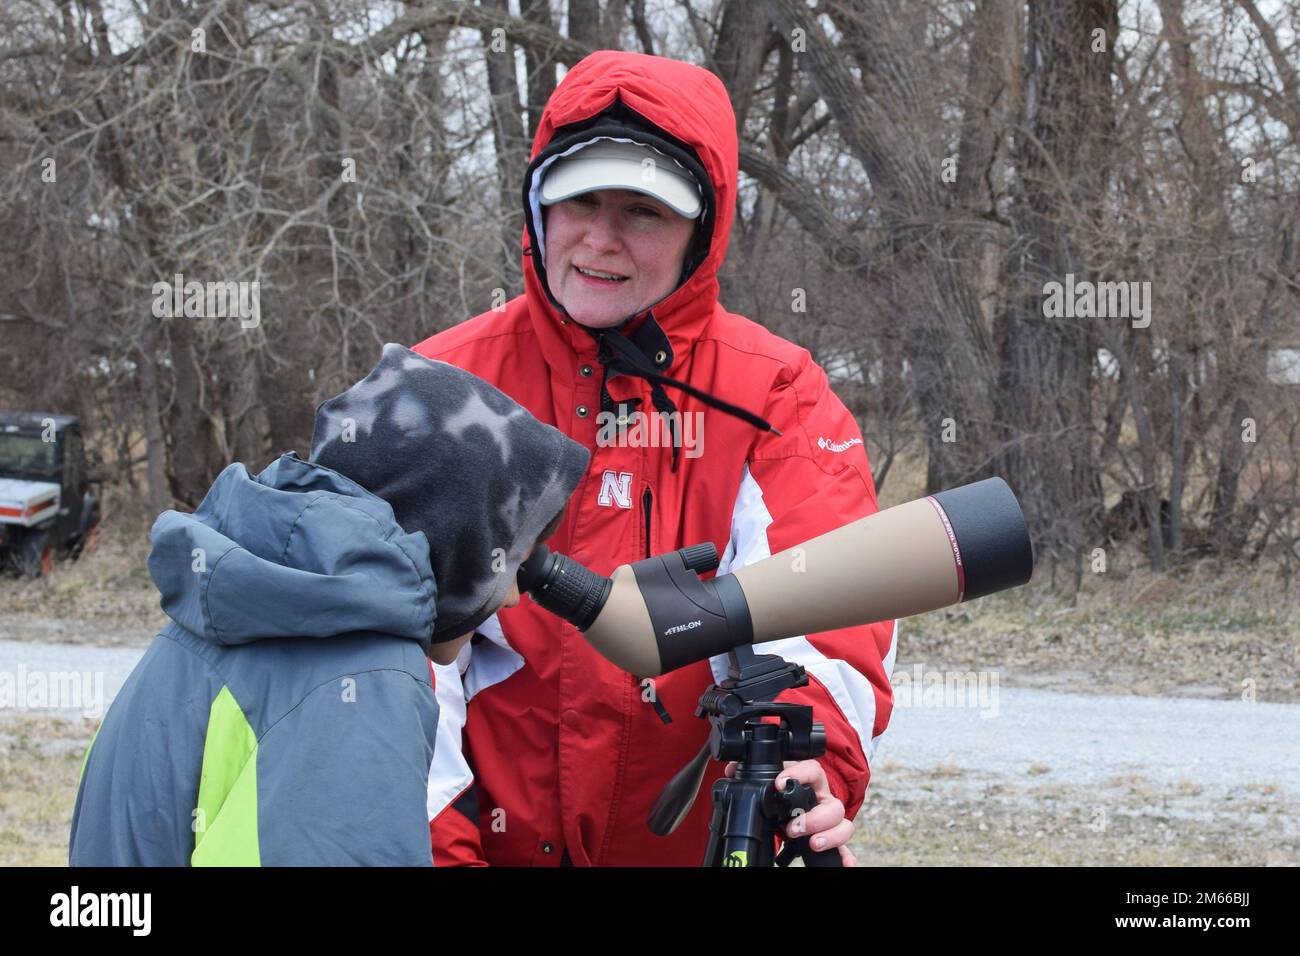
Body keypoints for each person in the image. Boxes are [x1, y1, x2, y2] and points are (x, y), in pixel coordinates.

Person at [415, 51, 898, 866]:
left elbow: (831, 608)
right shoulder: (443, 392)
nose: (600, 240)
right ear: (539, 206)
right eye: (579, 201)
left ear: (700, 232)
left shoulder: (776, 394)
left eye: (643, 211)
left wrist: (806, 763)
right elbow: (393, 663)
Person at [68, 344, 587, 866]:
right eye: (511, 558)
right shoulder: (364, 675)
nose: (516, 597)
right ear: (455, 533)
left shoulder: (225, 612)